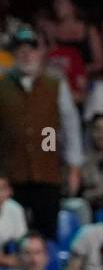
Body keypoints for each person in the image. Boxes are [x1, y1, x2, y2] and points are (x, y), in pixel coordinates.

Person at [0, 27, 85, 241]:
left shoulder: (55, 84)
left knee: (47, 235)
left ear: (40, 53)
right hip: (11, 177)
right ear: (13, 54)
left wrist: (74, 166)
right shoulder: (3, 86)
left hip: (48, 175)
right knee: (14, 235)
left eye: (31, 49)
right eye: (21, 50)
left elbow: (70, 126)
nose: (26, 54)